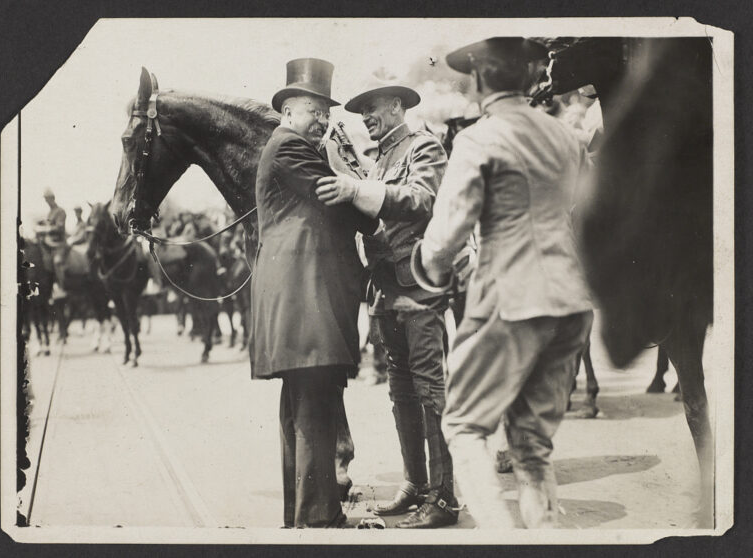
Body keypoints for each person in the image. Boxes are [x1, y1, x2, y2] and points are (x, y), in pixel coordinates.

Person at [411, 37, 594, 528]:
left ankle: (500, 538)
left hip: (511, 295)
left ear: (479, 78)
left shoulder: (478, 140)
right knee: (531, 446)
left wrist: (428, 268)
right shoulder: (567, 138)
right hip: (571, 300)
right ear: (530, 77)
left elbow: (445, 237)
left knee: (464, 426)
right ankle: (543, 534)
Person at [315, 75, 458, 528]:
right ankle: (415, 485)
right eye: (361, 112)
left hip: (418, 288)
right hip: (385, 288)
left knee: (429, 389)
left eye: (372, 108)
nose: (366, 118)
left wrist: (356, 189)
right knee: (401, 391)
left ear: (397, 105)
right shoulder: (377, 161)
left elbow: (422, 200)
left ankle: (444, 499)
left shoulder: (423, 147)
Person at [250, 58, 379, 528]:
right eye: (313, 111)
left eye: (326, 113)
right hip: (305, 301)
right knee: (315, 409)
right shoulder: (291, 146)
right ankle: (320, 521)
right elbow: (344, 204)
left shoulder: (288, 146)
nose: (322, 121)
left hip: (300, 301)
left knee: (303, 410)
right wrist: (372, 207)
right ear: (287, 112)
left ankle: (302, 517)